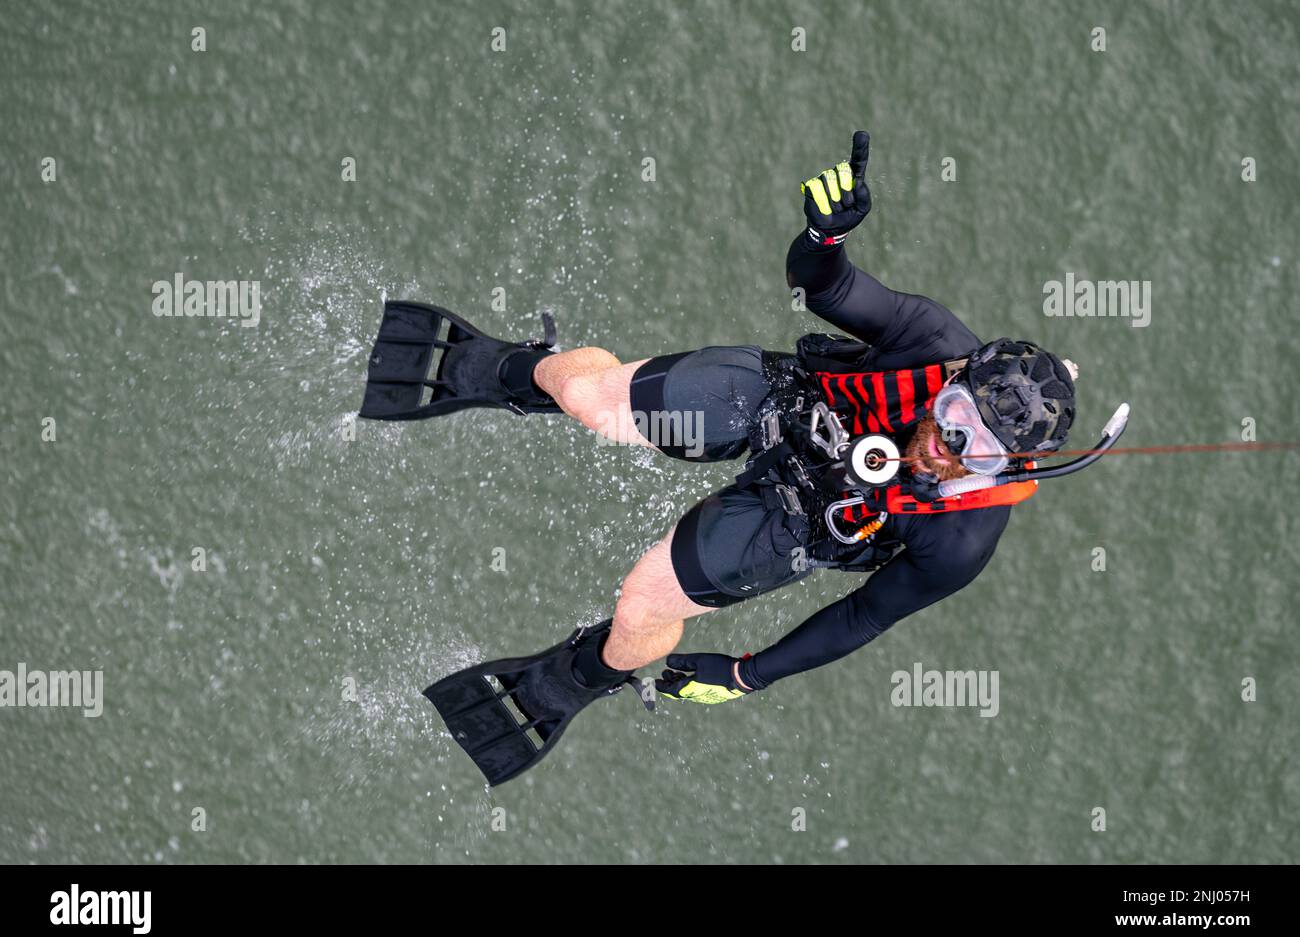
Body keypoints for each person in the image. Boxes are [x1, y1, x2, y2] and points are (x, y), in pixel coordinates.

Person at [362, 131, 1085, 784]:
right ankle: (518, 371)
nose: (944, 446)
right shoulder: (931, 338)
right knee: (594, 404)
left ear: (1010, 465)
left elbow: (864, 616)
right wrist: (823, 238)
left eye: (979, 451)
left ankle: (581, 674)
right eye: (954, 416)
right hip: (781, 401)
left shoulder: (962, 540)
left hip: (802, 521)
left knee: (642, 600)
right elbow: (823, 285)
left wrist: (747, 674)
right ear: (957, 379)